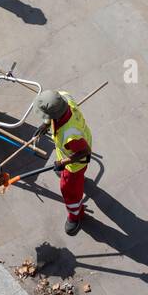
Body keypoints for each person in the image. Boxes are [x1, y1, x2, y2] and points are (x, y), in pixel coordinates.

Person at [36, 90, 93, 236]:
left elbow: (84, 151)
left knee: (68, 190)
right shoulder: (64, 96)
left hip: (75, 163)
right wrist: (46, 124)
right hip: (75, 144)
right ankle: (81, 179)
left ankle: (75, 216)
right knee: (77, 177)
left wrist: (64, 163)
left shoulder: (70, 134)